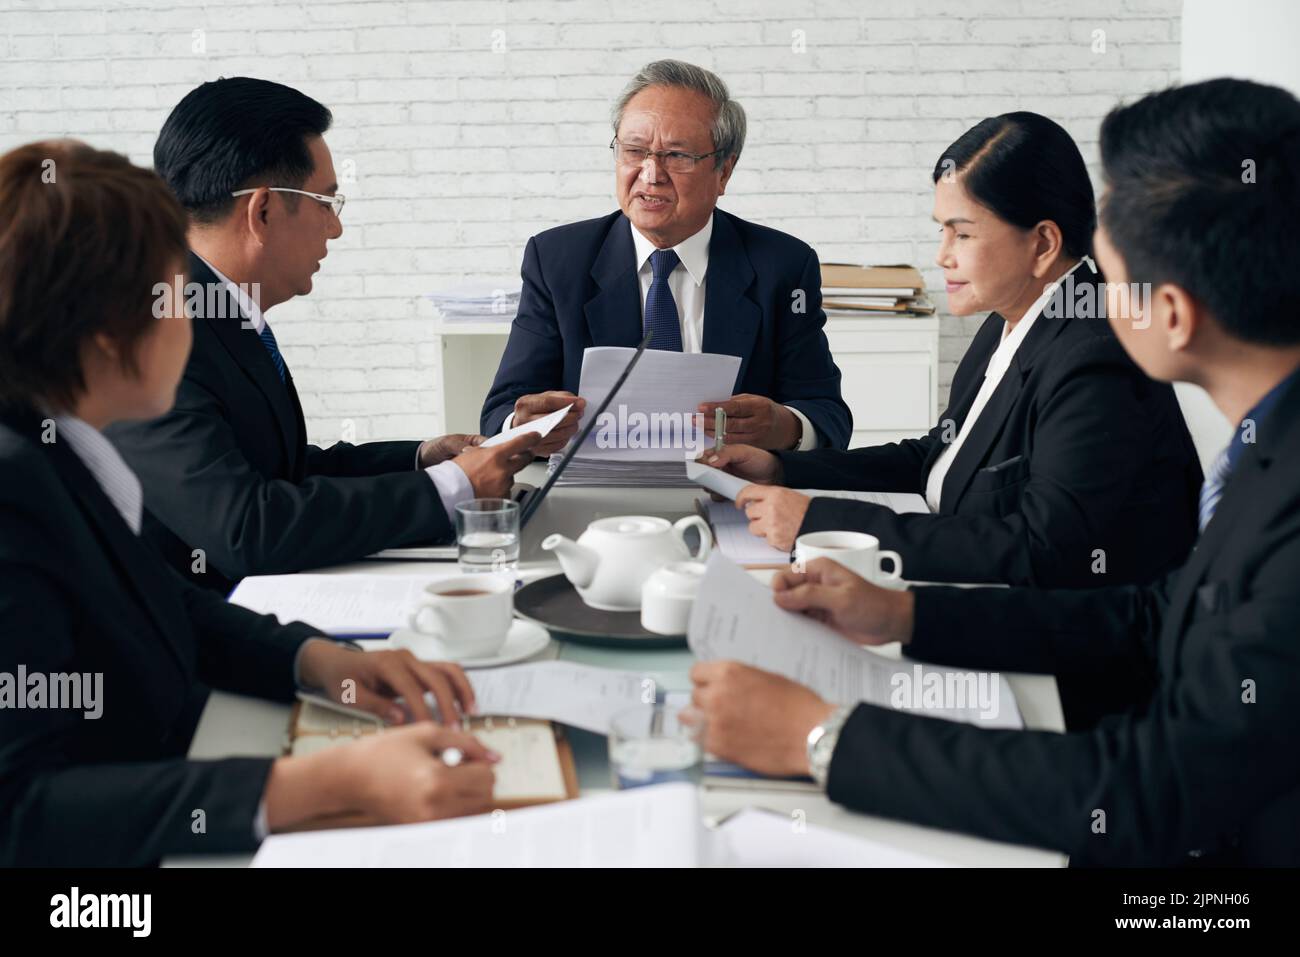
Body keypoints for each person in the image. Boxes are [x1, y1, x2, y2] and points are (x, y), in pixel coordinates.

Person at [690, 79, 1300, 866]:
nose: (1096, 290)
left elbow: (1152, 793)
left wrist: (820, 738)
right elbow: (1155, 611)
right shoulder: (1266, 451)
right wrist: (904, 615)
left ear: (1172, 313)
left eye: (1112, 268)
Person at [0, 140, 498, 867]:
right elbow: (20, 814)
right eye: (173, 294)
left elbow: (160, 598)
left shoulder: (57, 447)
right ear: (109, 335)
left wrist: (315, 659)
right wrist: (320, 782)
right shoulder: (13, 494)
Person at [704, 112, 1201, 592]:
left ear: (1043, 244)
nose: (943, 254)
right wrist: (783, 469)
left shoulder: (1094, 357)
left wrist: (817, 521)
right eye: (941, 230)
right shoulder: (1010, 321)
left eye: (962, 233)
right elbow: (937, 457)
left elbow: (1044, 549)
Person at [106, 78, 539, 593]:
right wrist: (454, 487)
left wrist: (423, 457)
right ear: (262, 210)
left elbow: (277, 472)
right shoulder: (153, 331)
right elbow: (246, 526)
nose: (335, 229)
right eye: (326, 203)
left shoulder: (210, 310)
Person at [480, 59, 852, 454]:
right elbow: (501, 412)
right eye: (634, 151)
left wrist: (787, 427)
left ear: (724, 171)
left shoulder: (783, 265)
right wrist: (524, 426)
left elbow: (827, 415)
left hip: (733, 490)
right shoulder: (556, 260)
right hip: (598, 493)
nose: (651, 173)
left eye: (677, 156)